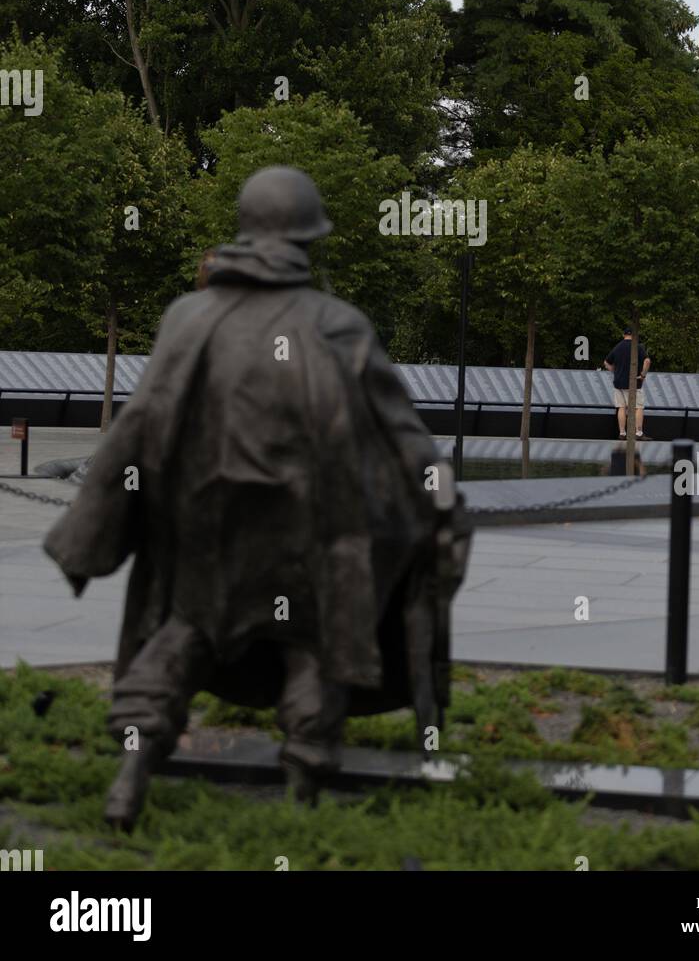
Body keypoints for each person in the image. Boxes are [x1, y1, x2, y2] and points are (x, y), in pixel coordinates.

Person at [44, 166, 471, 830]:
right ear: (307, 239)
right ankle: (302, 788)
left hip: (208, 532)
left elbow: (141, 419)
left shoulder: (189, 317)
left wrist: (93, 520)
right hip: (311, 536)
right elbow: (408, 441)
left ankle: (131, 777)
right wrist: (444, 501)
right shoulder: (339, 325)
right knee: (314, 647)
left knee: (182, 639)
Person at [603, 327, 651, 439]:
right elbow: (647, 361)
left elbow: (606, 362)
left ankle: (622, 433)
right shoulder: (637, 347)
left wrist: (615, 371)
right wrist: (643, 375)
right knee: (638, 407)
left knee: (621, 407)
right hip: (634, 382)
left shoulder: (618, 347)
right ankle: (638, 433)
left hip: (618, 382)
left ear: (623, 335)